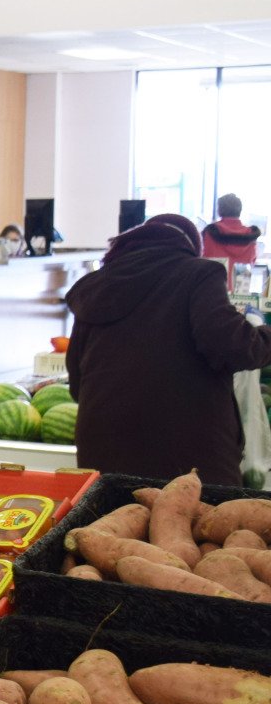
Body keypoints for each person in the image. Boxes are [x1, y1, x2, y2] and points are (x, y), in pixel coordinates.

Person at [67, 213, 271, 486]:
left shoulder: (96, 287)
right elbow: (233, 346)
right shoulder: (199, 273)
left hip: (105, 456)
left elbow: (77, 384)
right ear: (188, 246)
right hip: (187, 460)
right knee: (198, 527)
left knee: (111, 526)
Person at [202, 194, 262, 266]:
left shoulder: (210, 232)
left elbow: (203, 258)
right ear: (240, 210)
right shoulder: (251, 234)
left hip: (216, 276)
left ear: (219, 210)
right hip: (242, 277)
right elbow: (253, 262)